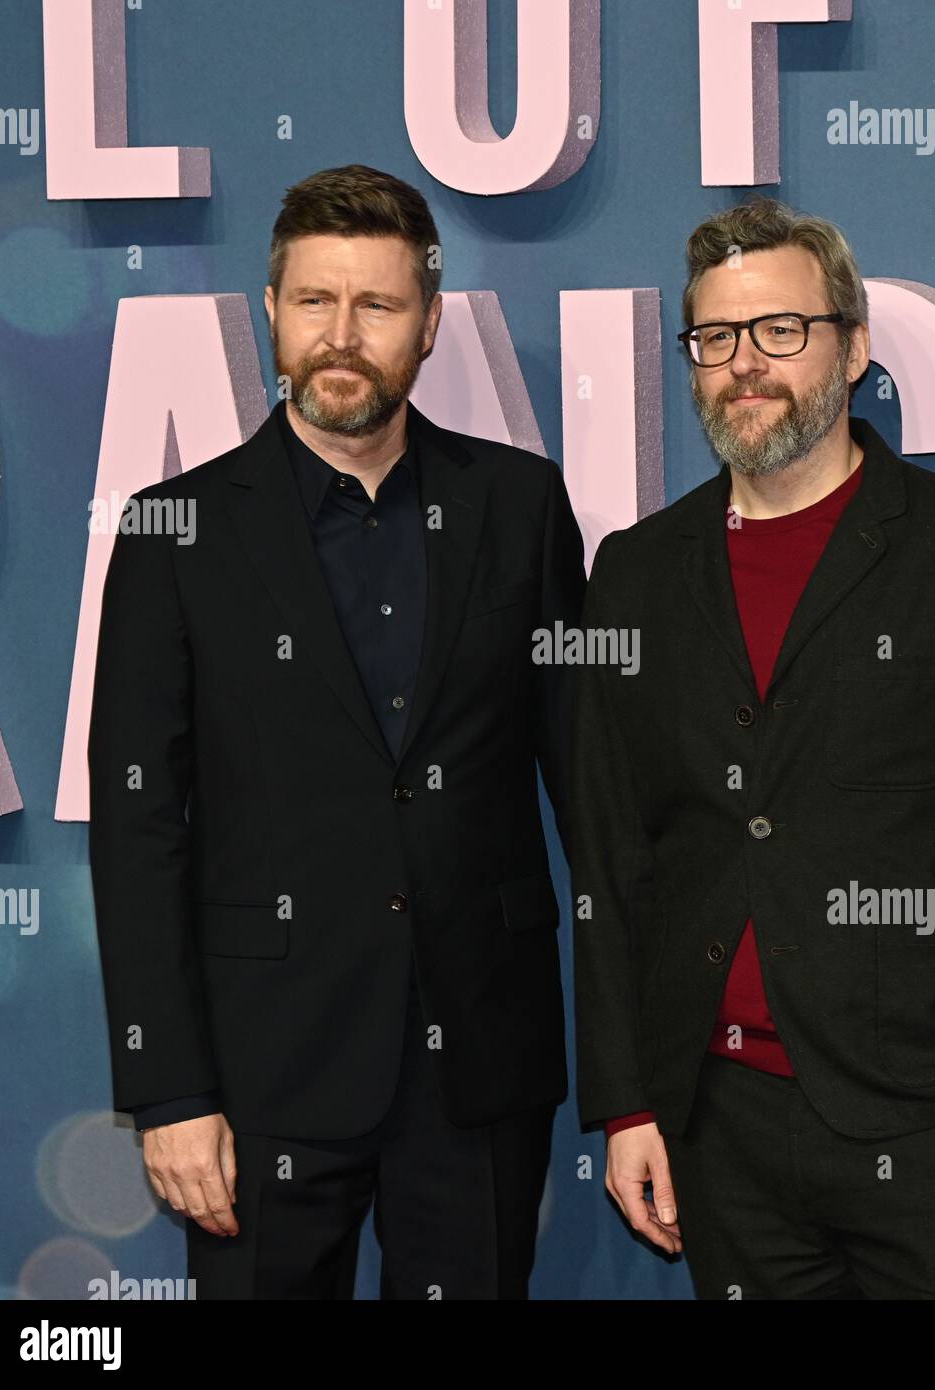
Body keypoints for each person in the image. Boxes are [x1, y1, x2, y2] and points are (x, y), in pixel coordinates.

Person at [571, 196, 935, 1299]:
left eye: (781, 330)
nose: (745, 364)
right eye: (715, 337)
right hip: (720, 1131)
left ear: (854, 345)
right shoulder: (634, 575)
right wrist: (628, 1100)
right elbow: (611, 856)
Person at [88, 164, 584, 1299]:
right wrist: (168, 1091)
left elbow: (592, 799)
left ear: (429, 324)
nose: (342, 335)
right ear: (270, 310)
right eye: (315, 301)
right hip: (259, 1080)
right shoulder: (176, 532)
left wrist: (628, 1079)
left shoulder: (520, 507)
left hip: (479, 1072)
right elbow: (137, 826)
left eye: (378, 305)